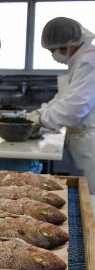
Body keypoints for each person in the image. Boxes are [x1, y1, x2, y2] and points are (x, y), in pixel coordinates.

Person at [28, 17, 95, 192]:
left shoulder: (90, 62)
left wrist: (42, 119)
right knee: (85, 193)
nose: (54, 56)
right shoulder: (80, 61)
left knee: (91, 196)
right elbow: (63, 98)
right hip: (82, 141)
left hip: (91, 143)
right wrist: (40, 112)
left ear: (68, 45)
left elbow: (75, 108)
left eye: (54, 51)